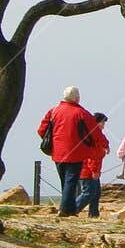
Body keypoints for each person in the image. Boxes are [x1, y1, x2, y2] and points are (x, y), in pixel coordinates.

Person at [36, 85, 99, 217]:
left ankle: (70, 209)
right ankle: (65, 210)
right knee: (70, 181)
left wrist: (54, 142)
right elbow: (95, 132)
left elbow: (41, 130)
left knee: (65, 181)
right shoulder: (81, 113)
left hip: (57, 153)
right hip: (75, 153)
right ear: (76, 98)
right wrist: (104, 144)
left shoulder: (53, 111)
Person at [74, 112, 110, 218]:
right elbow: (93, 156)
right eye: (102, 122)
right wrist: (94, 170)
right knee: (88, 193)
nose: (103, 125)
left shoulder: (94, 135)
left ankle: (94, 214)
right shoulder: (93, 136)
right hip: (87, 170)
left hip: (92, 169)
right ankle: (72, 210)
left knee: (96, 193)